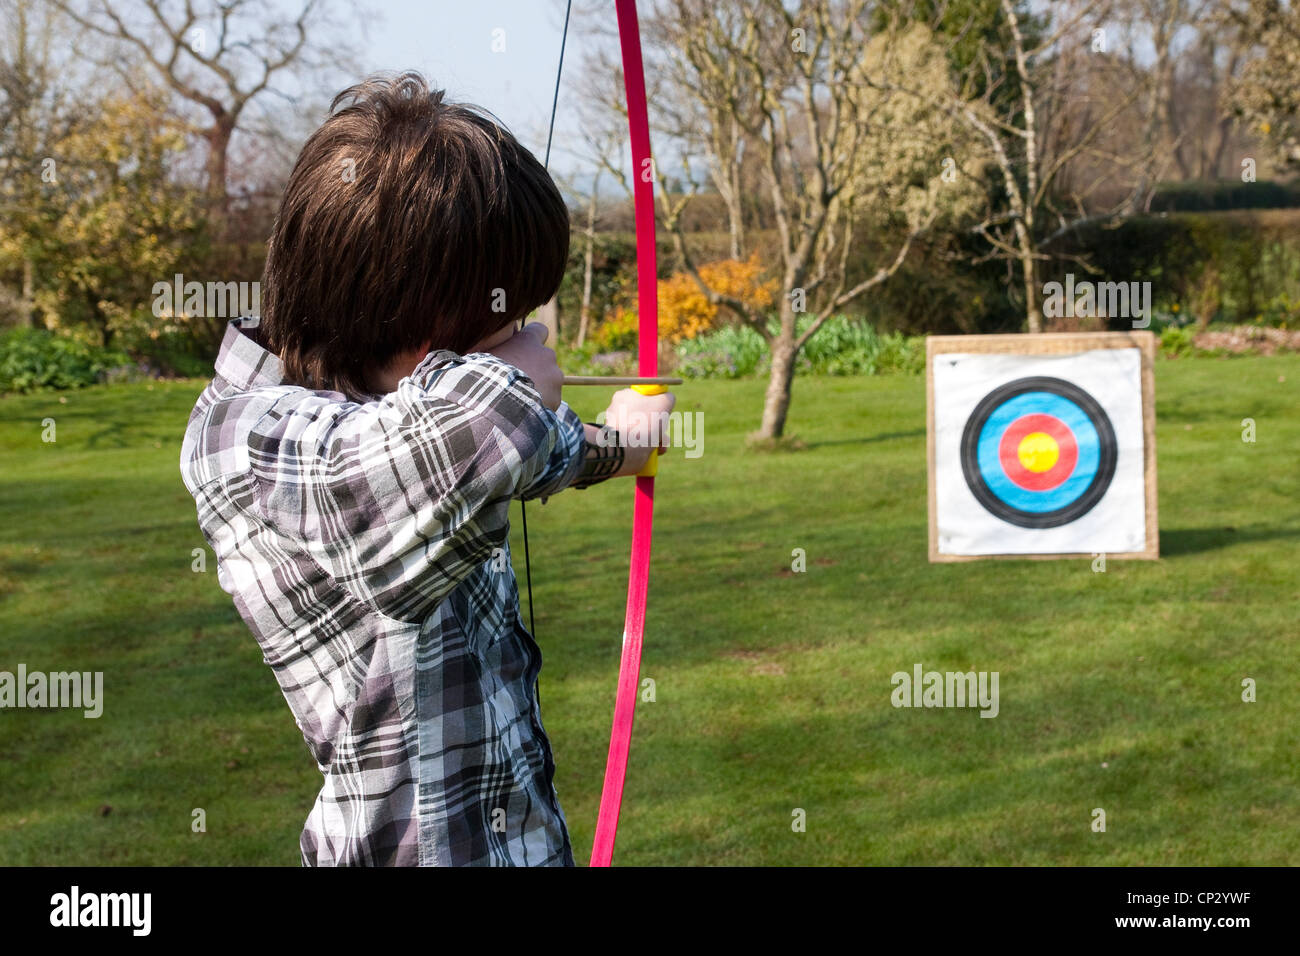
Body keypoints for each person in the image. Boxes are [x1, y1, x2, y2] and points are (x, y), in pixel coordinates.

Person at [179, 71, 674, 866]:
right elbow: (477, 437)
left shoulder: (408, 412)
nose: (518, 333)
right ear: (422, 320)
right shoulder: (247, 437)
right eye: (502, 319)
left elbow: (528, 452)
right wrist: (519, 382)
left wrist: (622, 442)